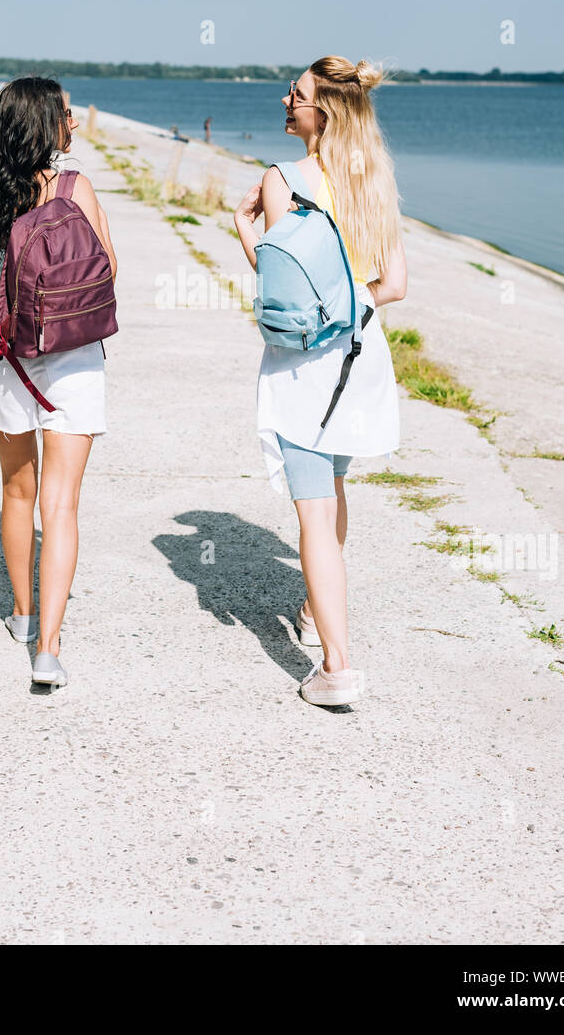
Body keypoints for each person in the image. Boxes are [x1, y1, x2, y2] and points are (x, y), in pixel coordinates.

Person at [234, 56, 406, 708]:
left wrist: (243, 230)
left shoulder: (283, 181)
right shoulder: (375, 178)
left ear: (322, 110)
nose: (285, 99)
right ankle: (312, 609)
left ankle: (336, 668)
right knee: (331, 488)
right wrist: (352, 303)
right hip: (363, 360)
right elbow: (393, 286)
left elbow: (281, 301)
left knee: (311, 509)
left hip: (308, 367)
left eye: (296, 93)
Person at [0, 77, 117, 688]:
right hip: (74, 360)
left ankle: (22, 615)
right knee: (63, 505)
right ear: (50, 124)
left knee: (18, 493)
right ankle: (48, 651)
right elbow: (111, 271)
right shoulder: (77, 186)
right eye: (67, 114)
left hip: (8, 363)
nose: (73, 122)